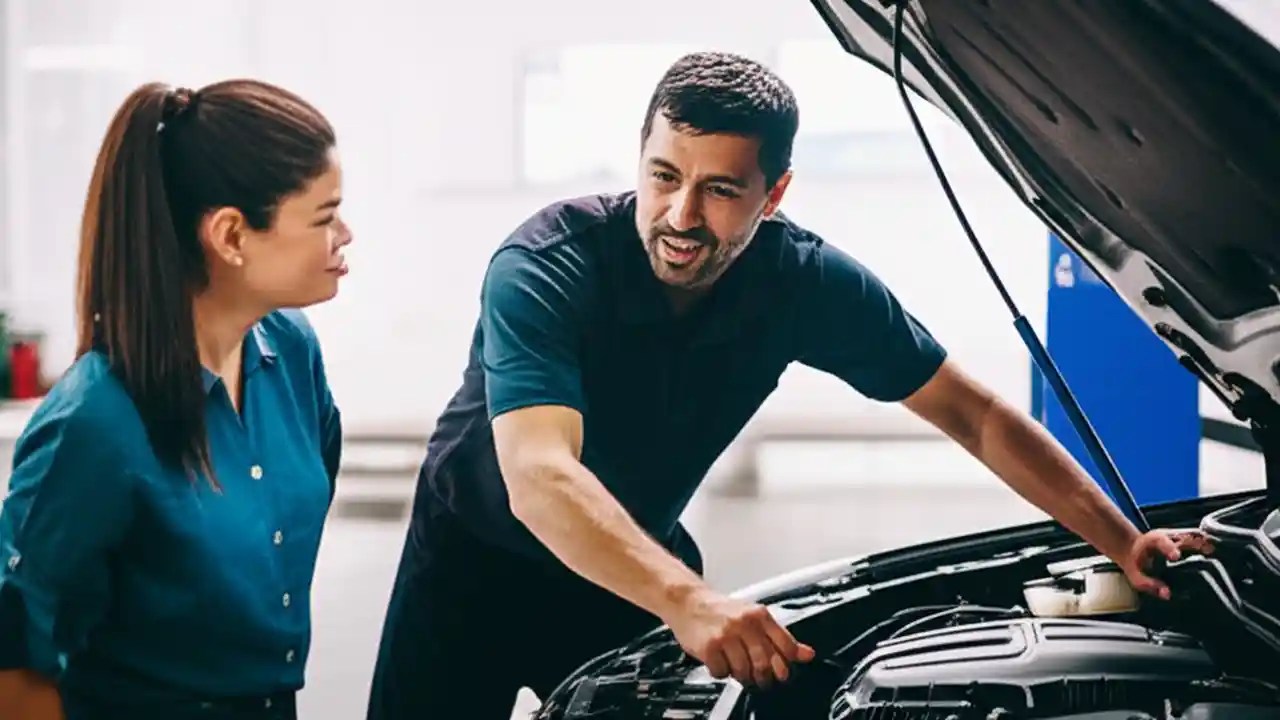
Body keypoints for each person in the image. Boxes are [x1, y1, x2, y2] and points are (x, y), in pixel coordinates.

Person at [366, 51, 1210, 719]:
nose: (681, 215)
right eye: (664, 176)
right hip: (470, 569)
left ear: (775, 193)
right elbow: (540, 476)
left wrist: (1120, 540)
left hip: (629, 566)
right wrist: (690, 601)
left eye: (720, 189)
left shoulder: (804, 283)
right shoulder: (547, 264)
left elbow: (974, 414)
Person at [0, 79, 352, 720]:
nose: (345, 234)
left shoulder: (291, 351)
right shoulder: (92, 423)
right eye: (325, 217)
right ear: (231, 235)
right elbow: (19, 674)